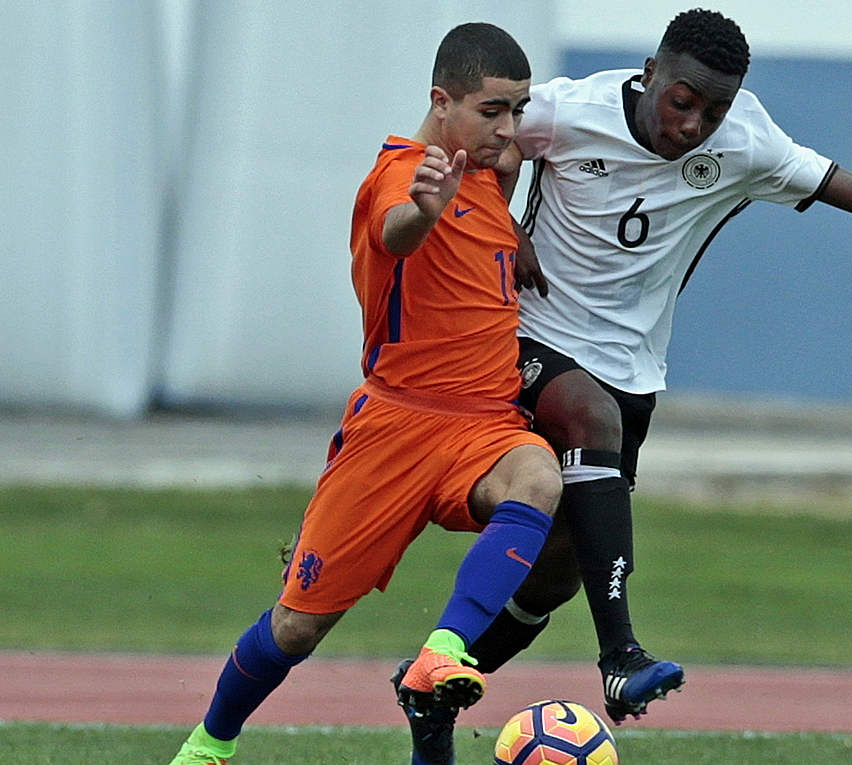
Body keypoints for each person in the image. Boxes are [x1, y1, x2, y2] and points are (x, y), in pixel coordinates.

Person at [468, 1, 852, 735]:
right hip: (534, 342)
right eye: (681, 101)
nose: (691, 125)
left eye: (711, 113)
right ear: (650, 72)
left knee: (560, 569)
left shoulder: (747, 139)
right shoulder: (568, 109)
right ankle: (621, 654)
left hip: (632, 368)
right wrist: (499, 224)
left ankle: (440, 682)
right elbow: (473, 142)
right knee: (588, 423)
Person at [166, 22, 559, 765]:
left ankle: (441, 650)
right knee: (296, 628)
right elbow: (399, 230)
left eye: (518, 109)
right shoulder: (403, 174)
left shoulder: (489, 166)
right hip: (395, 431)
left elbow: (515, 155)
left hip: (482, 427)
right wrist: (427, 209)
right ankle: (209, 742)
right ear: (441, 102)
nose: (508, 129)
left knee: (538, 478)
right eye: (492, 111)